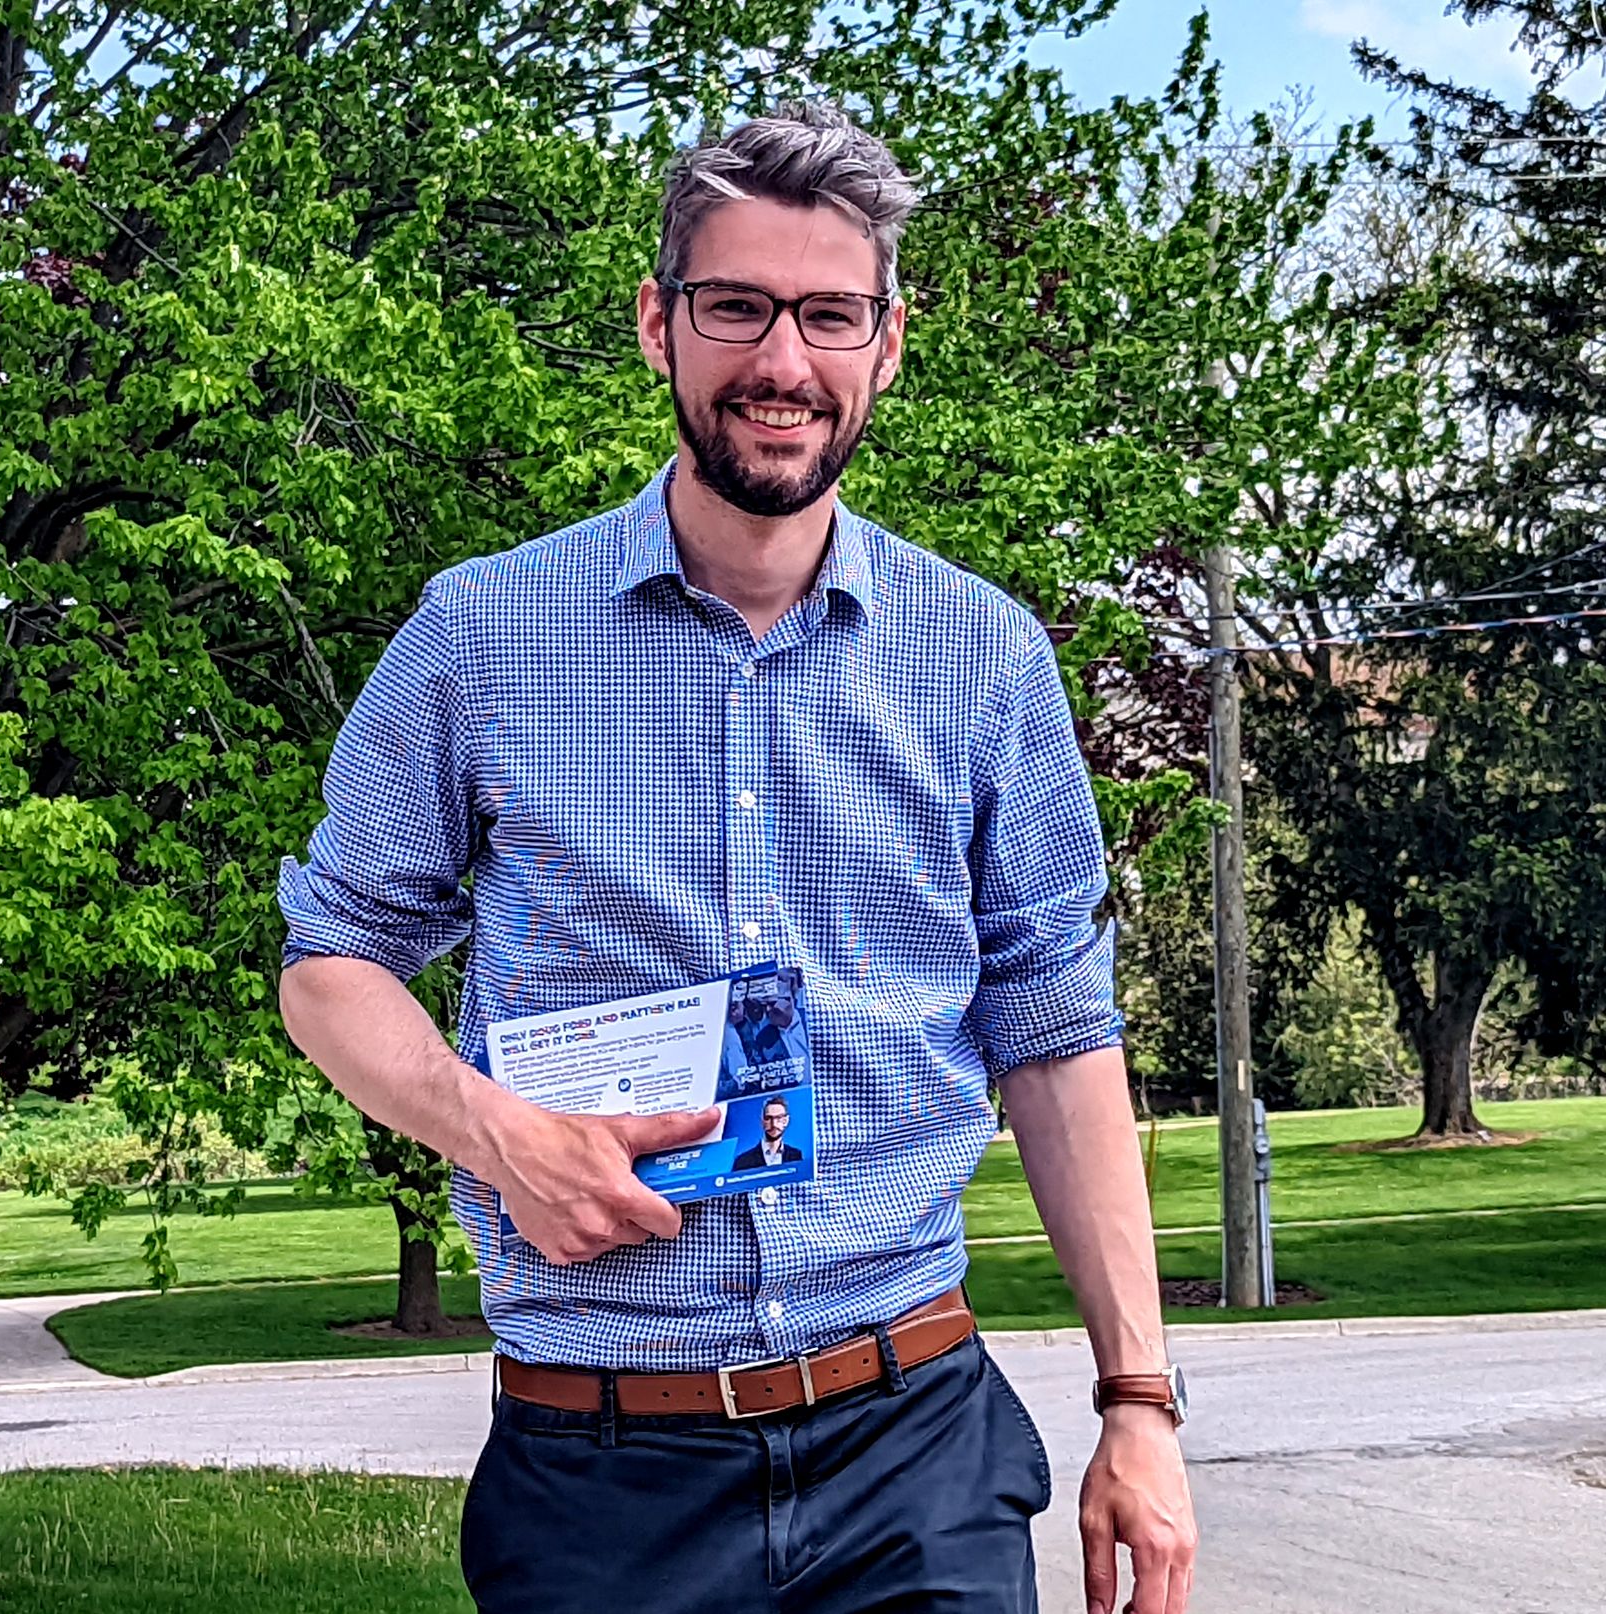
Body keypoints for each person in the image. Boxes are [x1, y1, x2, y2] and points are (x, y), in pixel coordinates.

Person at [277, 99, 1195, 1614]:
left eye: (829, 314)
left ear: (887, 342)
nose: (784, 362)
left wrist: (1139, 1406)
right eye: (737, 308)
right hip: (601, 1477)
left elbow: (1056, 1026)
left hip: (915, 1446)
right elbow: (331, 964)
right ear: (660, 324)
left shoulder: (985, 658)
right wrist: (492, 1130)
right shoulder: (482, 635)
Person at [733, 1097, 803, 1170]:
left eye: (779, 1118)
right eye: (768, 1118)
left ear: (786, 1121)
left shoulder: (796, 1156)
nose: (774, 1124)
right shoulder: (742, 1161)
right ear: (762, 1121)